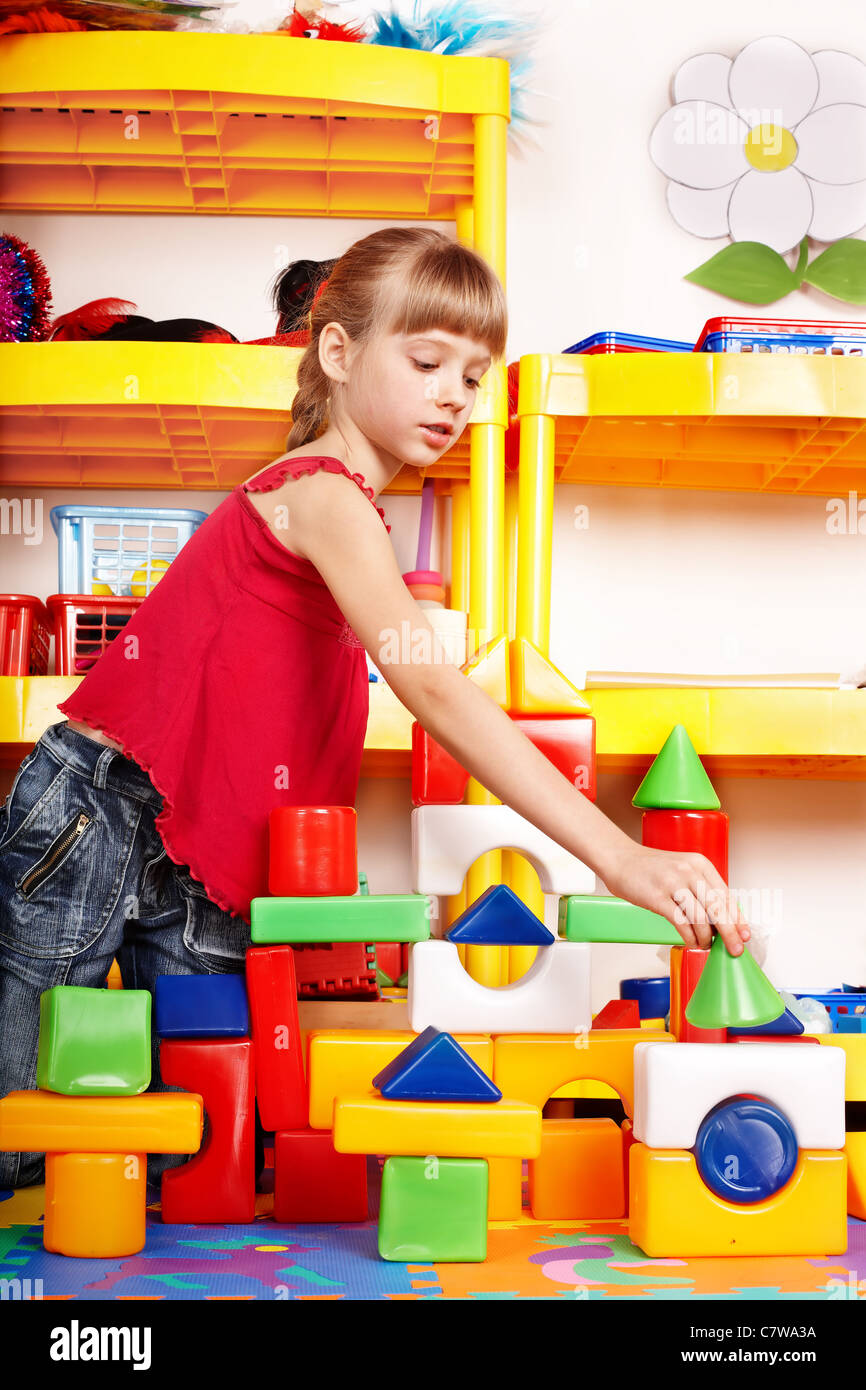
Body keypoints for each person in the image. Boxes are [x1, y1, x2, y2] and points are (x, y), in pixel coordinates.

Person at [0, 226, 749, 1192]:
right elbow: (429, 685)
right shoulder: (322, 491)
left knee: (183, 1154)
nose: (454, 394)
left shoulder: (354, 514)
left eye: (475, 377)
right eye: (428, 359)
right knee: (24, 1119)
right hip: (102, 812)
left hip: (201, 858)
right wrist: (619, 854)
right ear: (340, 354)